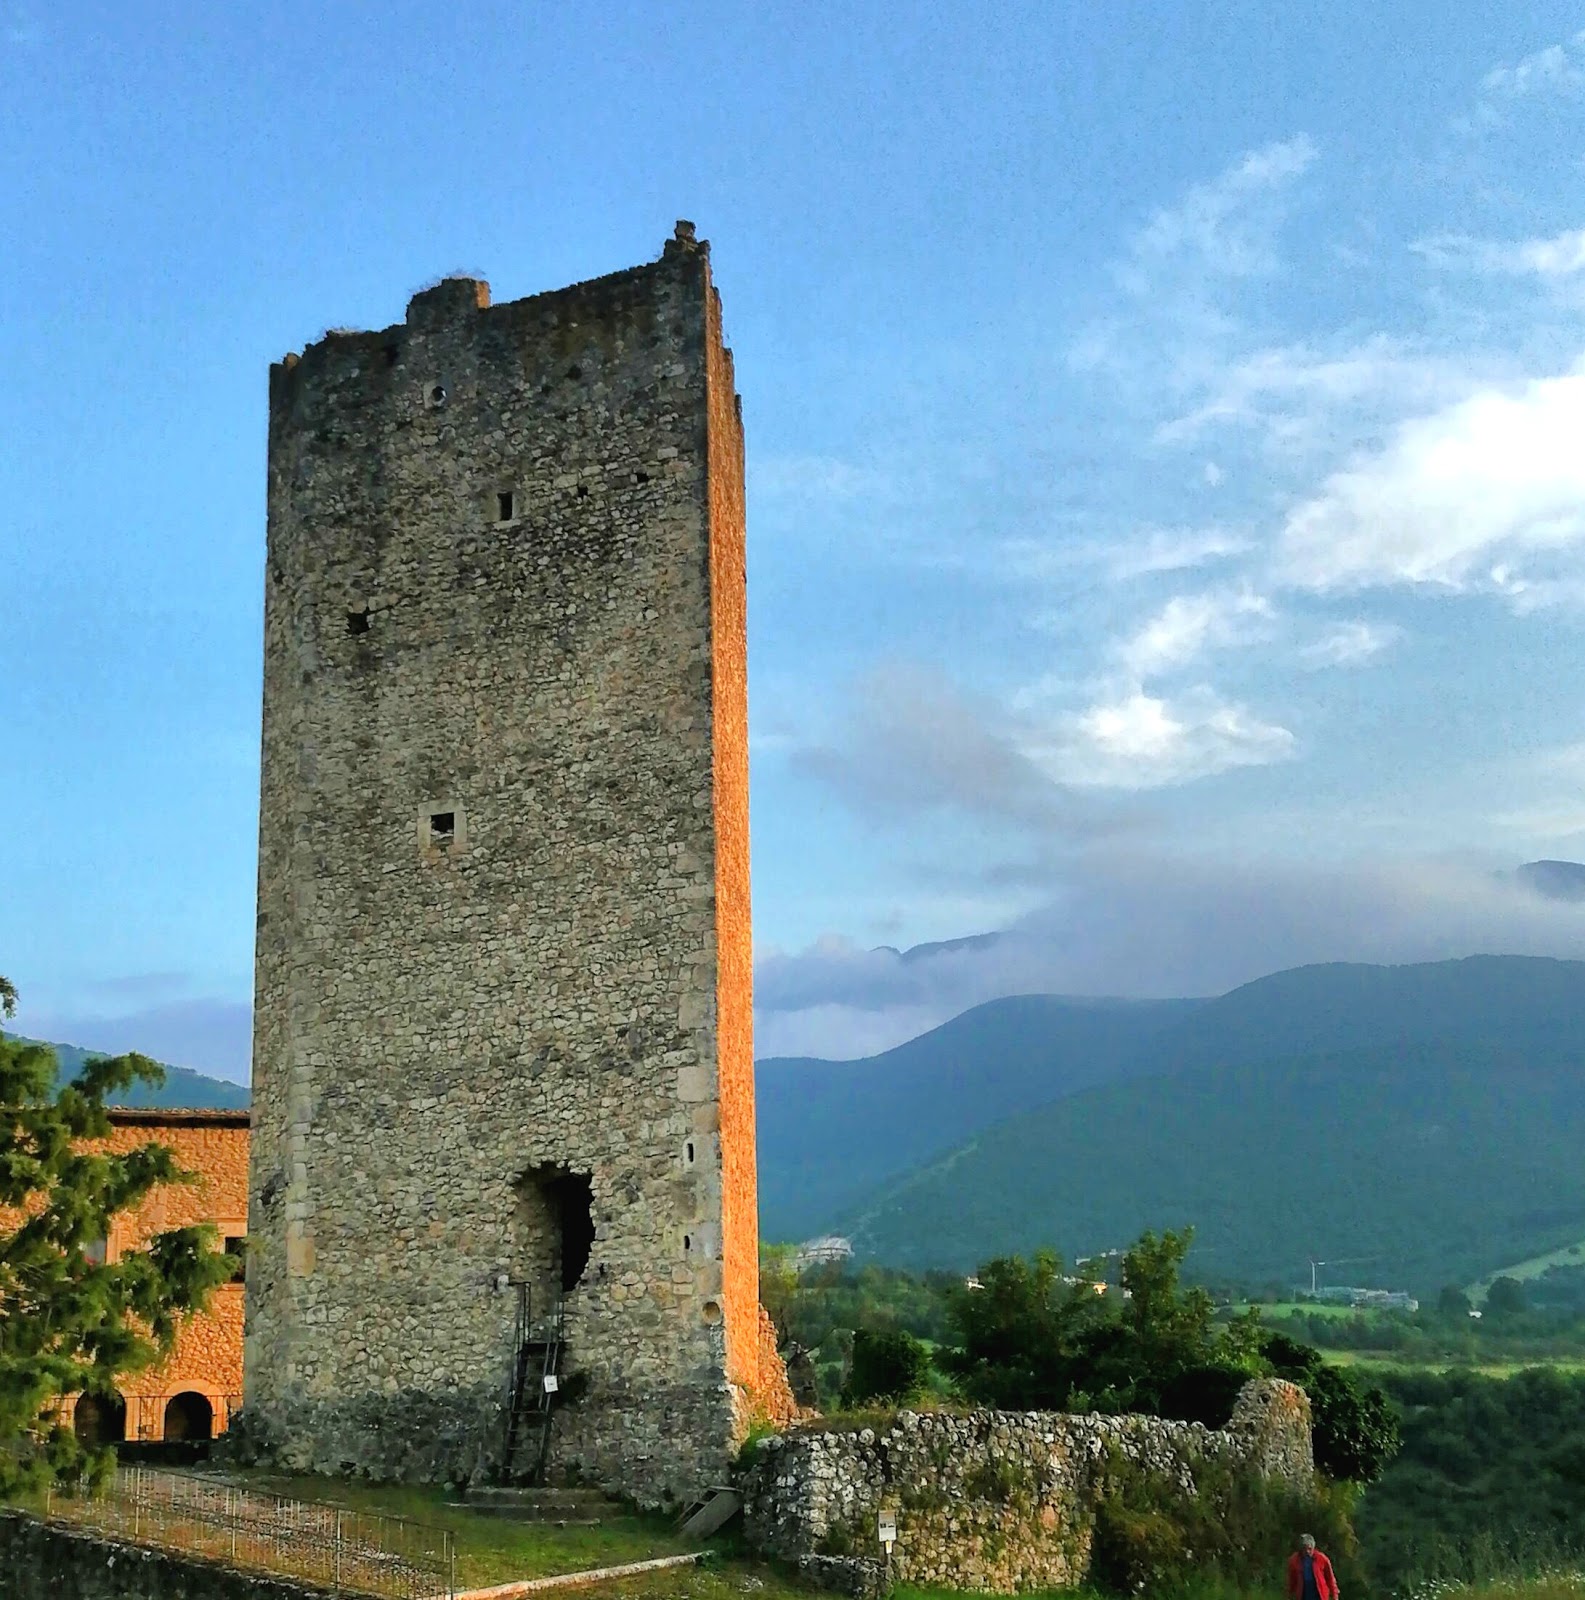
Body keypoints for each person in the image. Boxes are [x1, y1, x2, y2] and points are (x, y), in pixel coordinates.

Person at [1286, 1534, 1339, 1600]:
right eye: (1304, 1549)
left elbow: (1330, 1578)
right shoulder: (1294, 1560)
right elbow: (1291, 1580)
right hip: (1303, 1594)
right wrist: (1289, 1595)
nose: (1307, 1551)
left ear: (1313, 1548)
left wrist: (1335, 1595)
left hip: (1319, 1595)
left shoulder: (1322, 1559)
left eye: (1309, 1549)